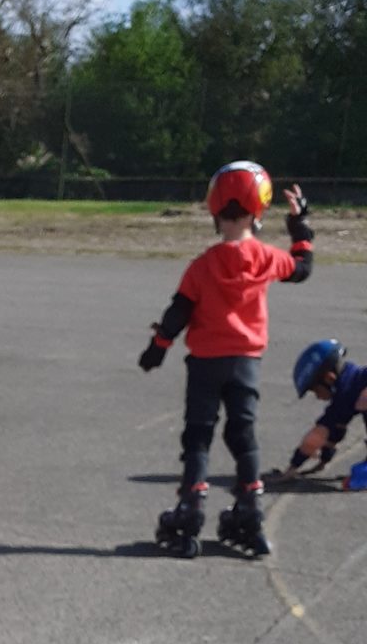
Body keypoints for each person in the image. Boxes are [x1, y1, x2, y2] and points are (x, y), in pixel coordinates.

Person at [138, 161, 314, 559]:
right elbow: (302, 267)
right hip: (246, 361)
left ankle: (191, 505)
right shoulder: (266, 257)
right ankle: (250, 507)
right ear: (259, 209)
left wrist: (157, 349)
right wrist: (299, 224)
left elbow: (178, 312)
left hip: (205, 362)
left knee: (198, 434)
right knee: (242, 434)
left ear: (214, 209)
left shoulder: (203, 265)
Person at [277, 338, 367, 481]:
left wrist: (292, 467)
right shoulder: (353, 382)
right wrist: (324, 460)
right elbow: (335, 430)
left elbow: (316, 437)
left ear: (329, 378)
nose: (317, 397)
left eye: (315, 390)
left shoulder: (345, 394)